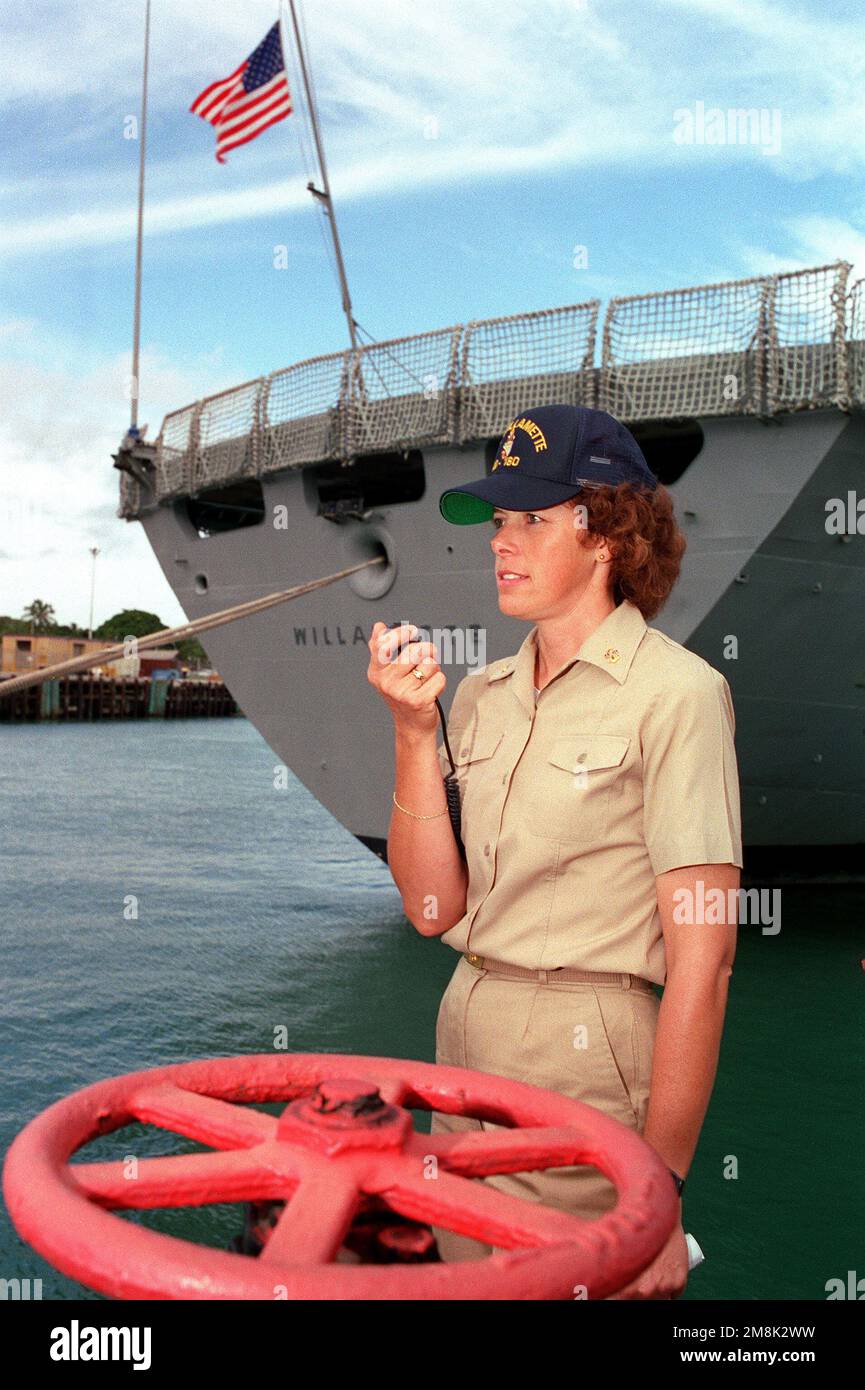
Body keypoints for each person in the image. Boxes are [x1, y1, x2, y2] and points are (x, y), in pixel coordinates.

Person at [367, 404, 743, 1299]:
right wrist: (414, 735)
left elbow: (707, 959)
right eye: (500, 522)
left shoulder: (678, 696)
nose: (502, 542)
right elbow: (431, 914)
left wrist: (658, 1192)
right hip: (459, 1045)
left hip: (588, 1070)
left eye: (532, 520)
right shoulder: (484, 696)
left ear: (606, 535)